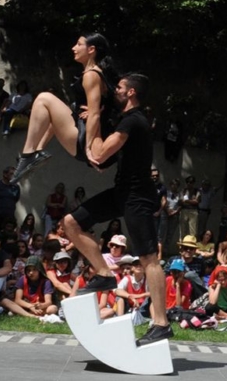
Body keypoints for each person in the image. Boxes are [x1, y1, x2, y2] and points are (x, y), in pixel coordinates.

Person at [59, 73, 173, 346]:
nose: (115, 91)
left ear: (131, 92)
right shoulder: (126, 122)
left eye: (120, 87)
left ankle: (161, 323)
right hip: (123, 192)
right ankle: (104, 273)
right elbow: (102, 162)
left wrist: (95, 123)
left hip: (138, 196)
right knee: (71, 222)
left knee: (148, 259)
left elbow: (98, 153)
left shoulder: (134, 121)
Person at [10, 33, 120, 184]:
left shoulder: (91, 75)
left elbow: (94, 115)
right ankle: (36, 152)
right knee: (60, 108)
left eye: (79, 44)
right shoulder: (98, 74)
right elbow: (99, 110)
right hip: (83, 133)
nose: (73, 48)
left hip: (83, 140)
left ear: (91, 49)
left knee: (43, 98)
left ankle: (27, 155)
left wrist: (88, 150)